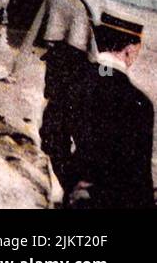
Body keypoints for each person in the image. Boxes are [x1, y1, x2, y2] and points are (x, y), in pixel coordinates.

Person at [38, 0, 109, 199]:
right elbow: (98, 54)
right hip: (83, 74)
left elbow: (41, 36)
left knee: (53, 132)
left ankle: (66, 183)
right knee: (82, 133)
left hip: (57, 70)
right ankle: (78, 189)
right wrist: (110, 78)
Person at [65, 12, 153, 209]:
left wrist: (71, 182)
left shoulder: (72, 81)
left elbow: (51, 136)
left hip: (73, 191)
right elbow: (139, 173)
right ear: (130, 50)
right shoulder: (140, 103)